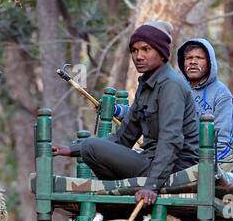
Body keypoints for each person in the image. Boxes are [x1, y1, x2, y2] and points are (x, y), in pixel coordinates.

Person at [51, 22, 198, 209]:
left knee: (92, 146)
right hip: (151, 161)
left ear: (161, 53)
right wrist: (70, 150)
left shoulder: (171, 84)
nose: (139, 56)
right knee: (91, 150)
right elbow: (123, 137)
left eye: (146, 49)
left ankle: (133, 193)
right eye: (134, 50)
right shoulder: (146, 85)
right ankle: (126, 196)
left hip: (176, 167)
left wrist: (152, 185)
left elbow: (171, 140)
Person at [176, 38, 233, 161]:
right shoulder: (177, 89)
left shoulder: (222, 95)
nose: (193, 62)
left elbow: (223, 144)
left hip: (207, 160)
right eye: (189, 58)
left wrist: (204, 164)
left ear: (210, 63)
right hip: (176, 155)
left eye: (199, 58)